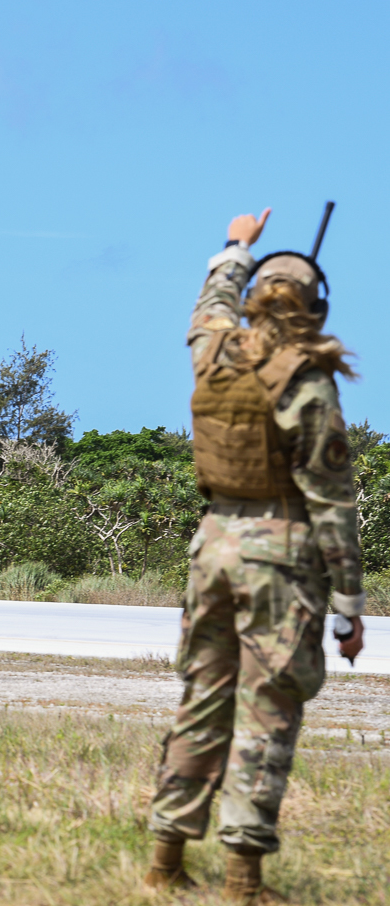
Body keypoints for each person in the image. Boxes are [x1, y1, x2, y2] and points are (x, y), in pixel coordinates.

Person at [143, 209, 366, 902]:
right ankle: (243, 880)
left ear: (251, 300)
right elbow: (331, 502)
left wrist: (237, 247)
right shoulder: (308, 379)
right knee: (266, 712)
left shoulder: (213, 347)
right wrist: (349, 606)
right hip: (281, 555)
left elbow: (208, 303)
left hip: (211, 545)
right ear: (316, 308)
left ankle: (164, 863)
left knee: (201, 700)